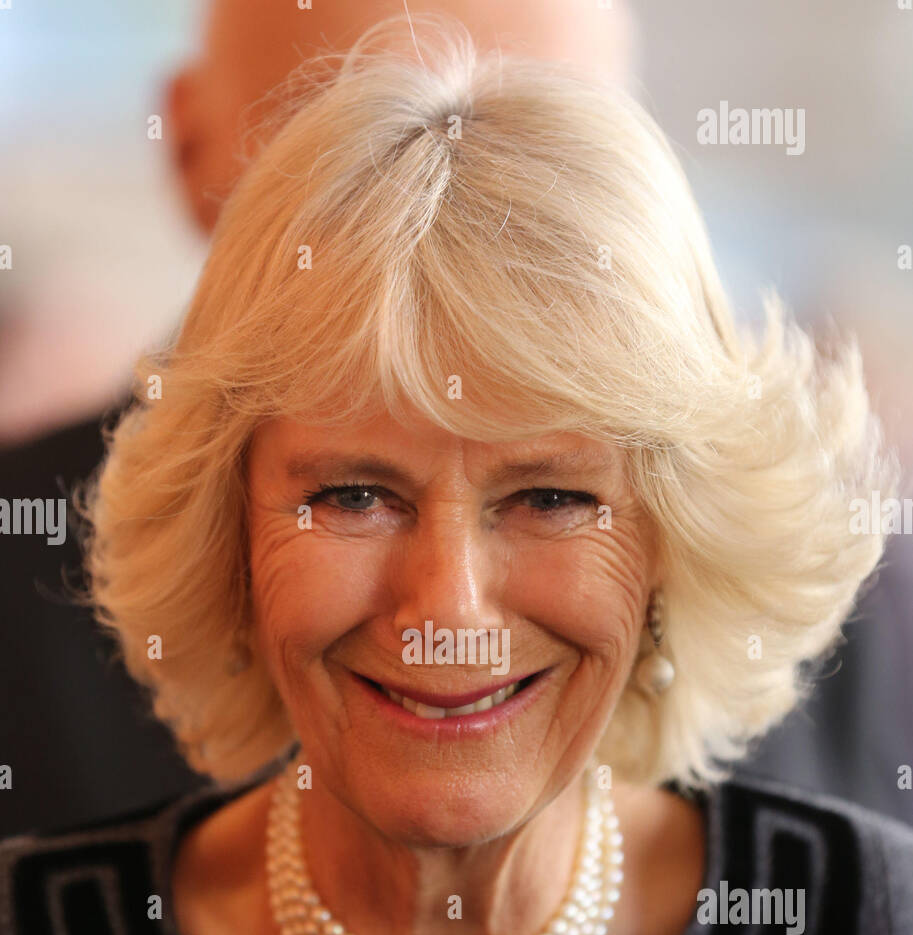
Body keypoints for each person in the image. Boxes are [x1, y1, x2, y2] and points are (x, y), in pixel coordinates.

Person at [1, 15, 910, 935]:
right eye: (355, 494)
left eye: (548, 497)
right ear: (228, 534)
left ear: (674, 544)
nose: (446, 606)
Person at [0, 0, 635, 840]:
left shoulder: (823, 619)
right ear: (190, 147)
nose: (451, 204)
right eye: (356, 143)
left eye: (546, 155)